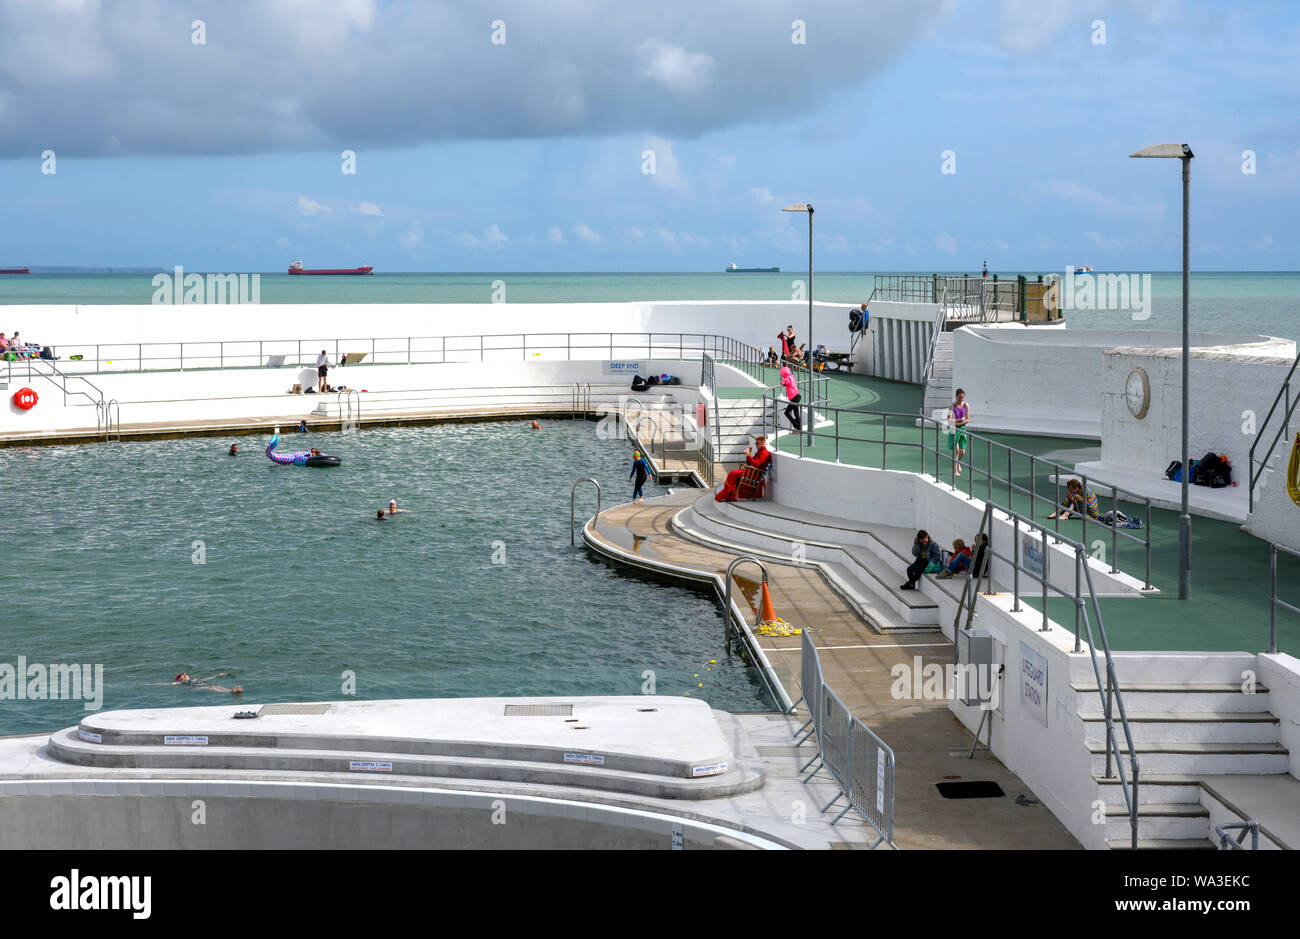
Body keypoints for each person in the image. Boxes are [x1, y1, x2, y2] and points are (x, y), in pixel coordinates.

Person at [715, 436, 771, 502]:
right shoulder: (759, 452)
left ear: (762, 443)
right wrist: (748, 454)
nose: (756, 445)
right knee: (732, 473)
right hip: (752, 471)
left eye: (757, 443)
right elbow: (749, 464)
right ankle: (729, 494)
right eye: (755, 443)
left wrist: (749, 455)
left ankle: (729, 494)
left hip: (755, 474)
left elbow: (756, 464)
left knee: (732, 474)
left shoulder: (764, 453)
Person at [948, 388, 971, 477]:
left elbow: (968, 419)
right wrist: (958, 420)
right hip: (954, 429)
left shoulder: (966, 405)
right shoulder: (952, 406)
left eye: (962, 398)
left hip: (962, 429)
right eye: (959, 397)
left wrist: (960, 423)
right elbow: (949, 420)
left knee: (963, 452)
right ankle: (955, 471)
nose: (961, 399)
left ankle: (958, 463)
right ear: (956, 396)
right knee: (956, 451)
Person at [781, 365, 802, 431]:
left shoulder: (788, 378)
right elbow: (788, 383)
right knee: (795, 413)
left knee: (787, 412)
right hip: (797, 396)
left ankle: (797, 426)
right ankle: (797, 426)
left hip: (794, 397)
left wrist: (782, 383)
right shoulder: (792, 377)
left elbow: (784, 381)